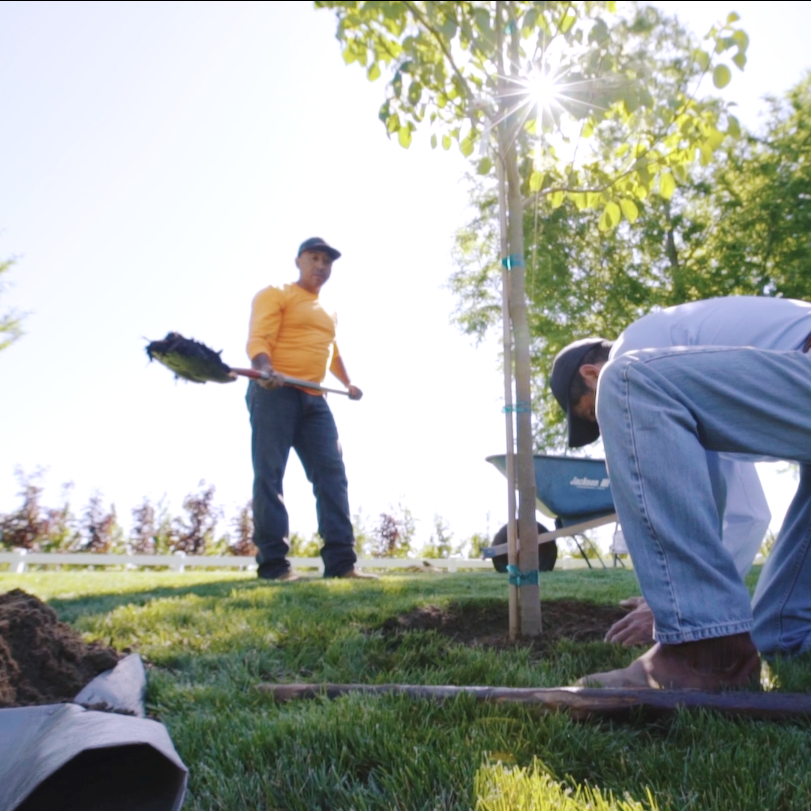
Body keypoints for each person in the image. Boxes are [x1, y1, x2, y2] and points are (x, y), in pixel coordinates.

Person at [550, 295, 811, 689]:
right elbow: (745, 513)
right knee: (783, 633)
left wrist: (687, 610)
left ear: (590, 373)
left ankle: (704, 653)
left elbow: (728, 509)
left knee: (627, 382)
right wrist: (686, 598)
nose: (606, 426)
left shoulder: (633, 349)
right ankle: (783, 643)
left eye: (593, 412)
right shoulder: (696, 375)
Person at [246, 236, 374, 582]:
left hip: (315, 400)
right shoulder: (276, 293)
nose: (321, 266)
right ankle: (274, 567)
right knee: (270, 475)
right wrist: (264, 368)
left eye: (327, 262)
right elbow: (259, 338)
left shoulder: (328, 310)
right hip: (275, 392)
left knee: (333, 476)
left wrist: (348, 382)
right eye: (314, 258)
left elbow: (330, 351)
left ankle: (342, 565)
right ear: (299, 261)